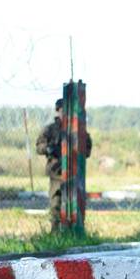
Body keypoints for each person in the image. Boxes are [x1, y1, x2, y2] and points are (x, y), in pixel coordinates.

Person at [35, 98, 92, 231]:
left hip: (74, 173)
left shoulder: (78, 129)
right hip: (57, 173)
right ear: (58, 111)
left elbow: (87, 148)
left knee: (75, 203)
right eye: (62, 110)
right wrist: (49, 149)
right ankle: (55, 232)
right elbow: (39, 146)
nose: (65, 113)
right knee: (56, 204)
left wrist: (79, 152)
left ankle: (75, 231)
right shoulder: (50, 129)